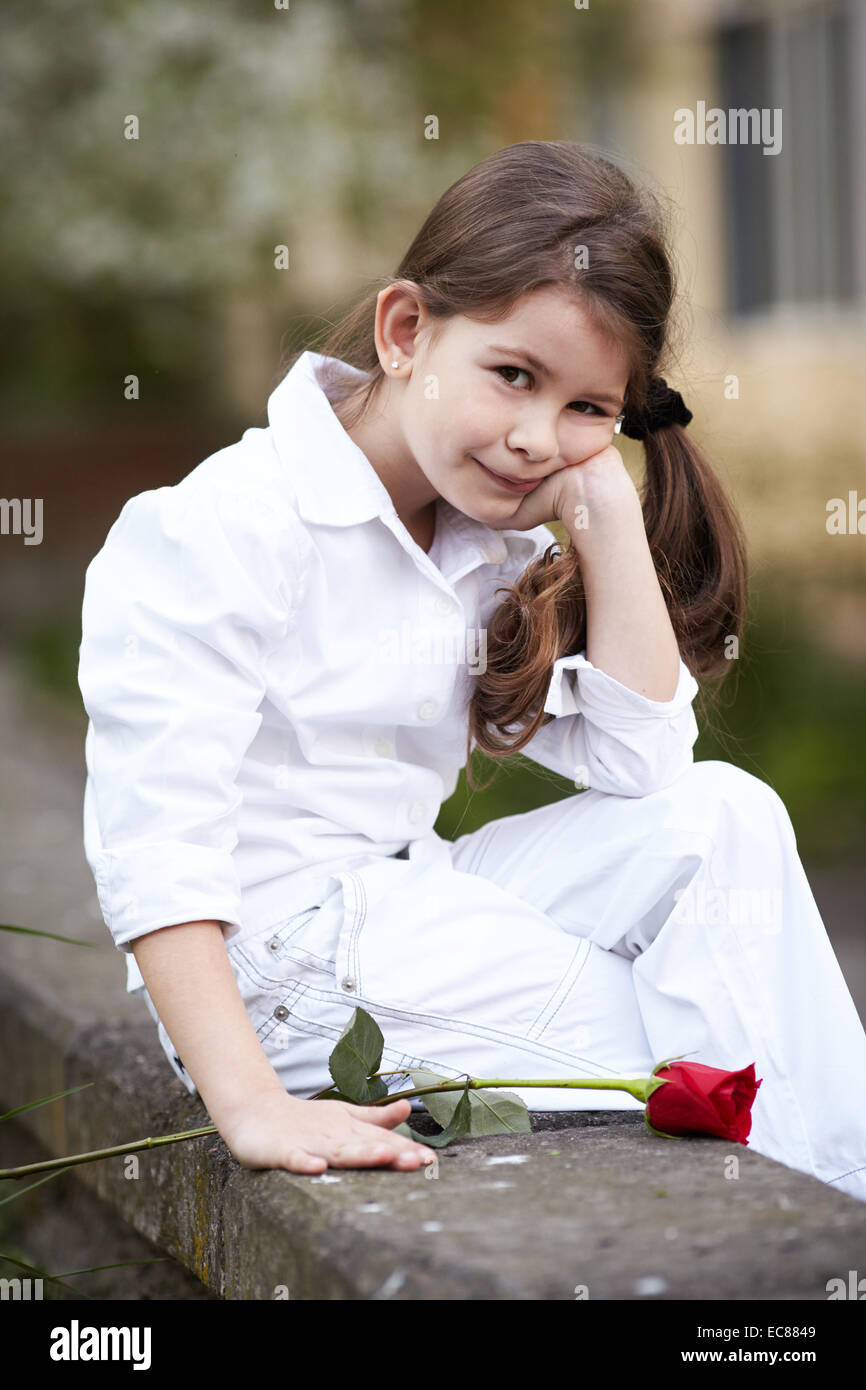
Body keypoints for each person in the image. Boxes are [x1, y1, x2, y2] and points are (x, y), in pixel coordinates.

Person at [78, 141, 866, 1200]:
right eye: (512, 376)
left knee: (728, 816)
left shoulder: (482, 536)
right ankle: (824, 1237)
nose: (537, 438)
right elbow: (154, 843)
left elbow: (642, 766)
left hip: (409, 896)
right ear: (405, 331)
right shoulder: (224, 528)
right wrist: (249, 1101)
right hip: (274, 974)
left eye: (587, 408)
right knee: (724, 1017)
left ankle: (828, 1221)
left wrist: (607, 518)